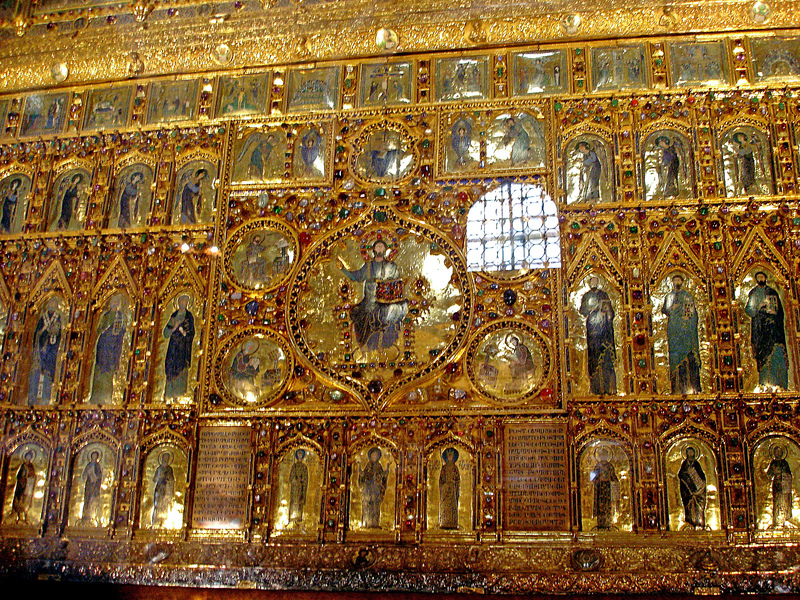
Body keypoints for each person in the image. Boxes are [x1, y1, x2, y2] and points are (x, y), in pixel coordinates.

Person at [338, 240, 409, 354]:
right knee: (359, 315)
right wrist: (343, 270)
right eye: (378, 246)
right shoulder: (368, 266)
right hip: (369, 302)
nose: (380, 249)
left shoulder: (391, 266)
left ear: (385, 249)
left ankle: (385, 345)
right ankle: (365, 347)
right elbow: (356, 277)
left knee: (392, 311)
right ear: (374, 250)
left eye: (382, 246)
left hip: (387, 301)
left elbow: (396, 284)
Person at [745, 271, 788, 389]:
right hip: (761, 331)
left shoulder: (772, 292)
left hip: (774, 330)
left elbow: (780, 312)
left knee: (776, 356)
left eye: (762, 277)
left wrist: (774, 319)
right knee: (763, 357)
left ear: (765, 278)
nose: (760, 279)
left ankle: (780, 386)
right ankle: (763, 386)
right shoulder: (754, 293)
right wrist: (759, 306)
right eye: (758, 277)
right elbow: (749, 310)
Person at [661, 274, 701, 394]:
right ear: (672, 282)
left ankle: (693, 389)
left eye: (678, 280)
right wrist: (672, 308)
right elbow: (665, 309)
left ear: (682, 282)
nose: (677, 282)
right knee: (676, 359)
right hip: (674, 332)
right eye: (675, 280)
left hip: (687, 332)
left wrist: (687, 318)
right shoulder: (670, 296)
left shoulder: (687, 296)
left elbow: (692, 313)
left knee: (690, 359)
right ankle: (677, 389)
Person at [579, 276, 617, 395]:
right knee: (594, 359)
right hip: (593, 330)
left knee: (606, 358)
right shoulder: (587, 296)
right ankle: (595, 389)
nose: (594, 283)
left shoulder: (604, 294)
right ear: (590, 284)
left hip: (605, 330)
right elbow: (582, 311)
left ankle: (609, 389)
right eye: (592, 282)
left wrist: (606, 310)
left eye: (596, 281)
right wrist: (591, 308)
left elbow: (611, 312)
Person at [89, 296, 127, 404]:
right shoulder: (105, 315)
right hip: (103, 344)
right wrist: (105, 328)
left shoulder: (119, 316)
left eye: (116, 301)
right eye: (113, 301)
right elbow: (98, 329)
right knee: (99, 370)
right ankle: (95, 398)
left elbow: (122, 330)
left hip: (113, 346)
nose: (114, 303)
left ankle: (107, 398)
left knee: (109, 371)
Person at [28, 298, 62, 405]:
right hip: (41, 349)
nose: (52, 304)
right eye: (50, 302)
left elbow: (61, 333)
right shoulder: (43, 317)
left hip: (52, 350)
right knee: (37, 371)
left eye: (54, 303)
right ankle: (33, 398)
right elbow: (37, 333)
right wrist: (42, 332)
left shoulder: (58, 317)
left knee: (48, 372)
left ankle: (46, 398)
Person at [163, 294, 195, 400]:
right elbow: (166, 333)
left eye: (184, 301)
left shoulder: (189, 317)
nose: (182, 303)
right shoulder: (174, 316)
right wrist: (174, 328)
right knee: (171, 369)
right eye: (181, 301)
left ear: (187, 303)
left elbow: (191, 333)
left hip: (183, 348)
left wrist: (184, 333)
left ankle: (179, 397)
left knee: (181, 370)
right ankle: (168, 396)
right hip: (173, 347)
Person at [590, 446, 619, 530]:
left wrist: (612, 479)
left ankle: (608, 522)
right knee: (600, 506)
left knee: (608, 506)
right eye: (602, 454)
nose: (603, 456)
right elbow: (592, 478)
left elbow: (614, 477)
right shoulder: (597, 466)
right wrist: (597, 478)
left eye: (604, 454)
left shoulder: (610, 466)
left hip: (608, 487)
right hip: (600, 488)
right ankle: (600, 523)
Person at [678, 446, 706, 529]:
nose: (690, 454)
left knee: (698, 507)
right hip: (687, 492)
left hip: (698, 492)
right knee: (689, 508)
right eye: (688, 452)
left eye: (691, 452)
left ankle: (699, 524)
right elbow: (681, 474)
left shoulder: (696, 464)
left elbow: (702, 477)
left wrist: (698, 487)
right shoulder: (685, 464)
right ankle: (689, 524)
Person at [359, 447, 388, 528]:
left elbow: (382, 477)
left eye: (376, 455)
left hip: (376, 490)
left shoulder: (379, 466)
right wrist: (361, 472)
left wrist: (385, 472)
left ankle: (375, 523)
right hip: (368, 490)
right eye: (373, 455)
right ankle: (366, 523)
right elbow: (363, 476)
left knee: (375, 506)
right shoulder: (368, 465)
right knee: (367, 506)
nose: (374, 457)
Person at [767, 444, 793, 528]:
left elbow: (789, 474)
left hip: (784, 485)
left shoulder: (785, 463)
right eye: (777, 452)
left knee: (784, 502)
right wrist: (774, 472)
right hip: (777, 485)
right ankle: (777, 521)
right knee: (777, 502)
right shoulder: (773, 463)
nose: (778, 453)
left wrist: (782, 473)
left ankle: (785, 520)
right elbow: (769, 474)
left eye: (780, 452)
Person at [9, 450, 36, 524]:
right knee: (19, 501)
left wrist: (29, 477)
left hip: (28, 487)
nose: (28, 458)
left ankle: (25, 517)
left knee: (26, 502)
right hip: (21, 486)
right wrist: (22, 477)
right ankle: (18, 517)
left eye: (29, 457)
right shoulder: (23, 466)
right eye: (27, 456)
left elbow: (33, 476)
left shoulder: (31, 466)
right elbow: (19, 476)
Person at [151, 451, 175, 528]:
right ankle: (155, 522)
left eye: (166, 458)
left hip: (165, 488)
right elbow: (154, 479)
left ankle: (163, 522)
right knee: (157, 504)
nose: (165, 459)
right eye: (164, 458)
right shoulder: (159, 468)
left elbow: (171, 479)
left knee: (164, 505)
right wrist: (159, 477)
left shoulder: (169, 468)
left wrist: (166, 478)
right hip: (158, 487)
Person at [732, 131, 760, 195]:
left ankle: (751, 186)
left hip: (749, 163)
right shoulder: (740, 147)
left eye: (741, 136)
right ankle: (746, 188)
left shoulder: (748, 146)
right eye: (739, 137)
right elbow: (740, 155)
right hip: (743, 164)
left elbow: (748, 152)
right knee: (744, 176)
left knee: (749, 174)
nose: (740, 138)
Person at [439, 448, 460, 529]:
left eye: (451, 456)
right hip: (445, 489)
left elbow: (458, 479)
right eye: (448, 456)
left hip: (453, 489)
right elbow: (441, 480)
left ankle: (453, 522)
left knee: (452, 506)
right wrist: (444, 485)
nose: (450, 457)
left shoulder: (455, 468)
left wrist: (454, 482)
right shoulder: (444, 468)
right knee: (445, 506)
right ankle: (444, 522)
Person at [81, 450, 103, 527]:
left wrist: (96, 477)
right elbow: (84, 475)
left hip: (95, 485)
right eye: (93, 456)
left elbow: (100, 475)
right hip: (89, 484)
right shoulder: (89, 465)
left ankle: (92, 514)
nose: (94, 457)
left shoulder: (97, 465)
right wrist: (87, 474)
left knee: (93, 498)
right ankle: (86, 514)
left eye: (95, 456)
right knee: (87, 498)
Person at [289, 448, 309, 525]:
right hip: (295, 488)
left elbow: (305, 478)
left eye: (301, 454)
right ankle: (291, 518)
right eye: (298, 454)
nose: (300, 455)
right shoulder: (294, 466)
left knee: (300, 502)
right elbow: (291, 477)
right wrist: (294, 479)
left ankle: (299, 519)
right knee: (293, 502)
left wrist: (302, 480)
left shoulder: (304, 467)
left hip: (301, 487)